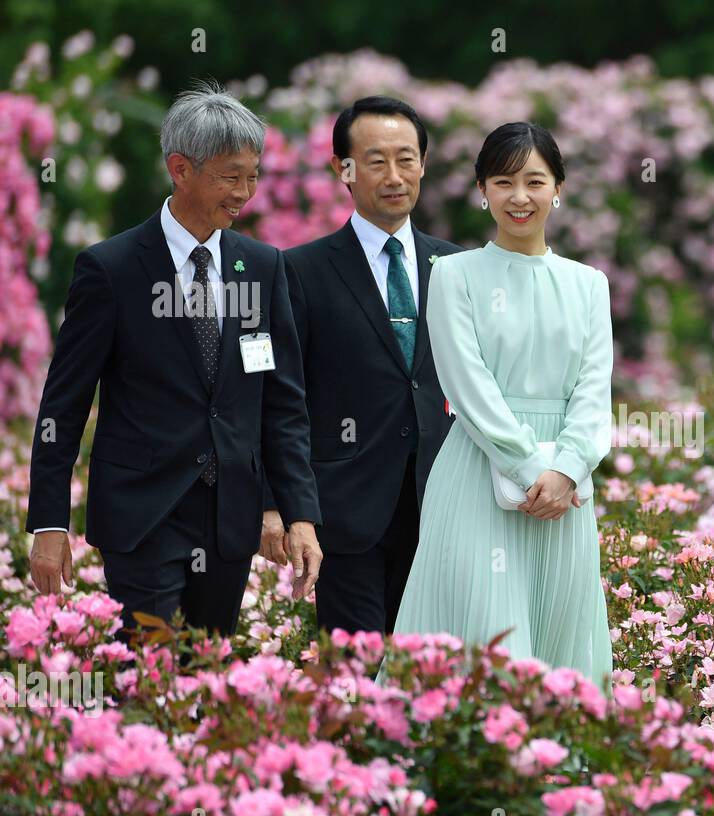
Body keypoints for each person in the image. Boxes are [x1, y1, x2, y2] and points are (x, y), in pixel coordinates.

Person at [26, 80, 322, 636]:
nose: (245, 191)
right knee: (149, 669)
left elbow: (283, 404)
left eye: (253, 176)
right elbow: (62, 405)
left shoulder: (262, 267)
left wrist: (293, 510)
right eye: (230, 177)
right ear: (180, 169)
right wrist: (48, 521)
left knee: (207, 676)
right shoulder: (110, 269)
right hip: (144, 514)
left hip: (229, 519)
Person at [392, 122, 613, 684]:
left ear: (558, 188)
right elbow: (466, 386)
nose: (520, 197)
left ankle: (558, 771)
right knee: (487, 641)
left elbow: (594, 391)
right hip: (477, 475)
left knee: (560, 634)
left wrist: (566, 468)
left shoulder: (588, 284)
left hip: (566, 490)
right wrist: (530, 466)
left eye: (535, 181)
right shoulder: (453, 275)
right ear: (482, 191)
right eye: (503, 181)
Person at [259, 97, 462, 636]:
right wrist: (278, 505)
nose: (394, 176)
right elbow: (279, 399)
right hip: (345, 518)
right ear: (342, 169)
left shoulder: (458, 269)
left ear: (423, 163)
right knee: (354, 684)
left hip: (443, 511)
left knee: (436, 683)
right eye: (375, 161)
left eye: (406, 159)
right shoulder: (299, 272)